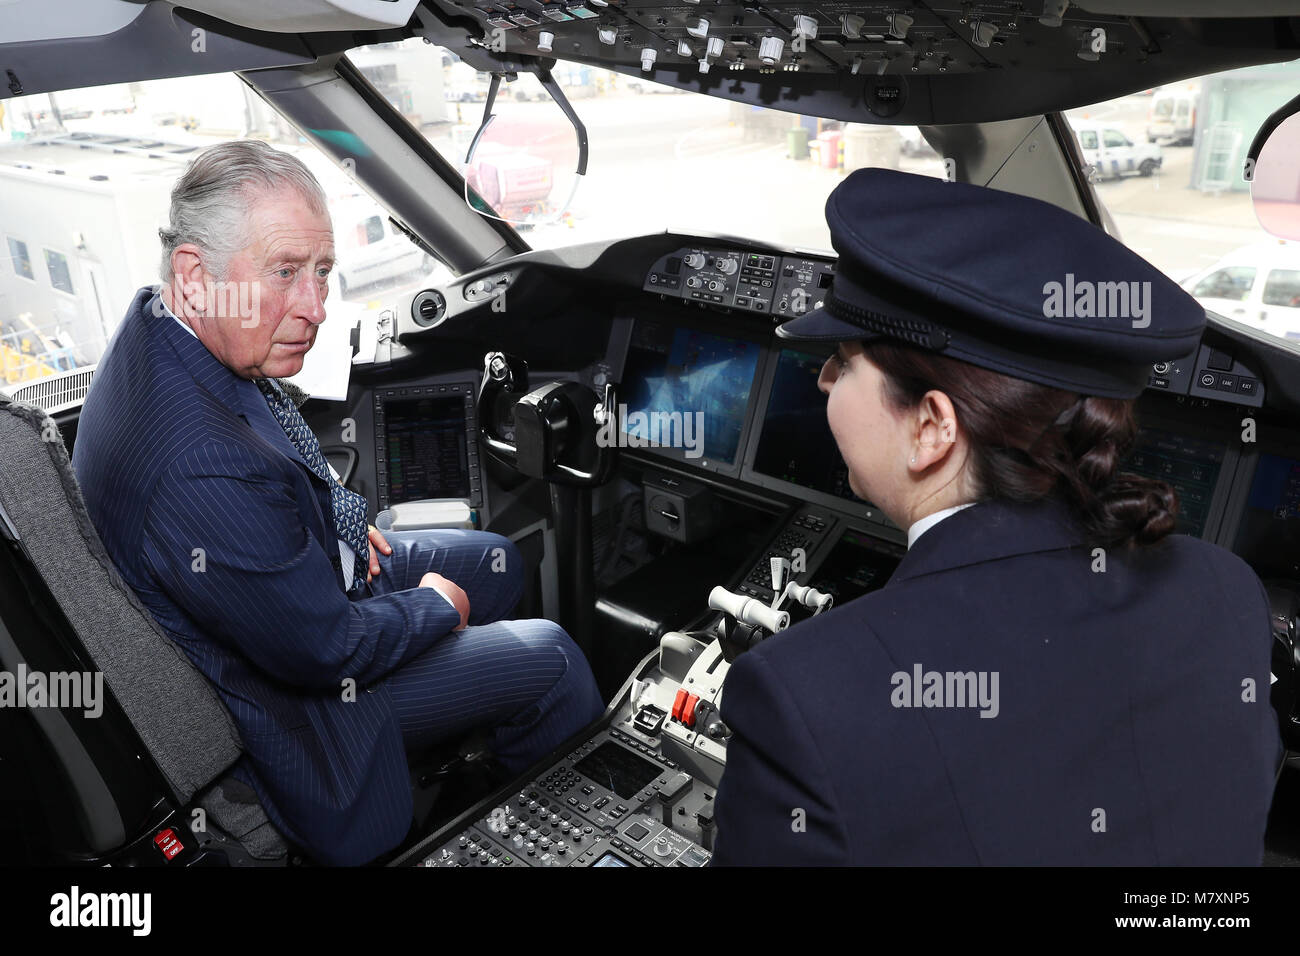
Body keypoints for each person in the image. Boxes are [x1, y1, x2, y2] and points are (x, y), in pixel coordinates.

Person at [710, 168, 1281, 865]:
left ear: (931, 427)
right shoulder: (1227, 592)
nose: (824, 379)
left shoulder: (801, 700)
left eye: (841, 359)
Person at [72, 140, 603, 866]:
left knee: (498, 559)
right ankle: (524, 844)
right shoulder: (199, 466)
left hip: (289, 590)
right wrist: (437, 608)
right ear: (195, 275)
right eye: (285, 272)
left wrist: (343, 523)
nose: (316, 308)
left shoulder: (161, 323)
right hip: (299, 708)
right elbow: (326, 652)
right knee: (554, 658)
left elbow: (275, 465)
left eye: (321, 272)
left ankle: (481, 753)